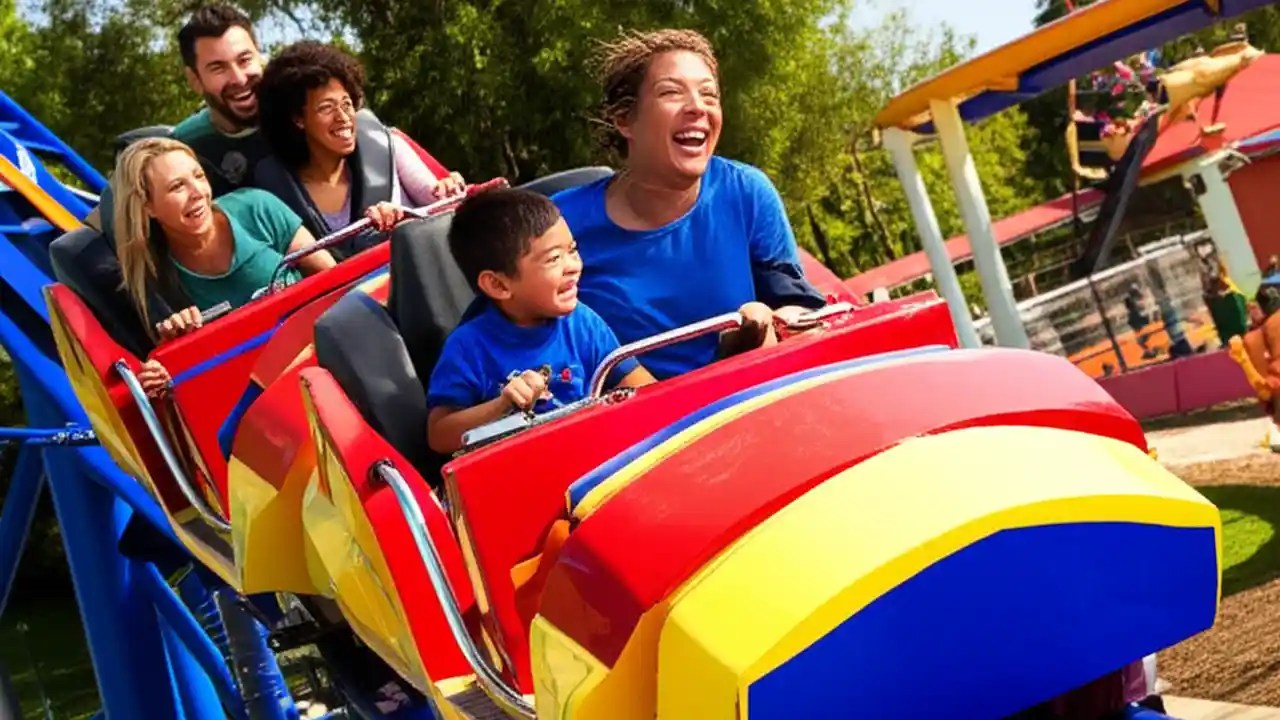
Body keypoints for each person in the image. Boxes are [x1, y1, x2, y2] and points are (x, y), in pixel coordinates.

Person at [550, 28, 826, 380]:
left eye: (709, 95)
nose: (698, 107)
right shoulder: (558, 223)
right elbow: (507, 341)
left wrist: (768, 329)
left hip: (747, 402)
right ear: (624, 120)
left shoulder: (747, 192)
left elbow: (798, 307)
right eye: (671, 92)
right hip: (632, 427)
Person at [425, 188, 656, 454]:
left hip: (590, 461)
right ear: (498, 284)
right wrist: (502, 406)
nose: (573, 265)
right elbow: (439, 435)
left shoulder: (581, 322)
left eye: (572, 250)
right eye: (554, 259)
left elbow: (644, 389)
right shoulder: (468, 347)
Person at [112, 137, 338, 396]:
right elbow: (176, 373)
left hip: (323, 350)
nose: (197, 192)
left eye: (198, 176)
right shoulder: (156, 278)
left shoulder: (257, 207)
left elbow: (337, 281)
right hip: (257, 392)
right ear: (147, 207)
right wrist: (170, 353)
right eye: (177, 187)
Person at [255, 41, 464, 243]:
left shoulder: (388, 147)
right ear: (298, 119)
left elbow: (443, 207)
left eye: (346, 104)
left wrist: (446, 191)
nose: (343, 117)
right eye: (326, 107)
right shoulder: (278, 196)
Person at [172, 4, 272, 197]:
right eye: (218, 68)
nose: (239, 79)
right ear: (195, 80)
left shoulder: (302, 115)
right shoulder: (184, 148)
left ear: (260, 57)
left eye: (244, 60)